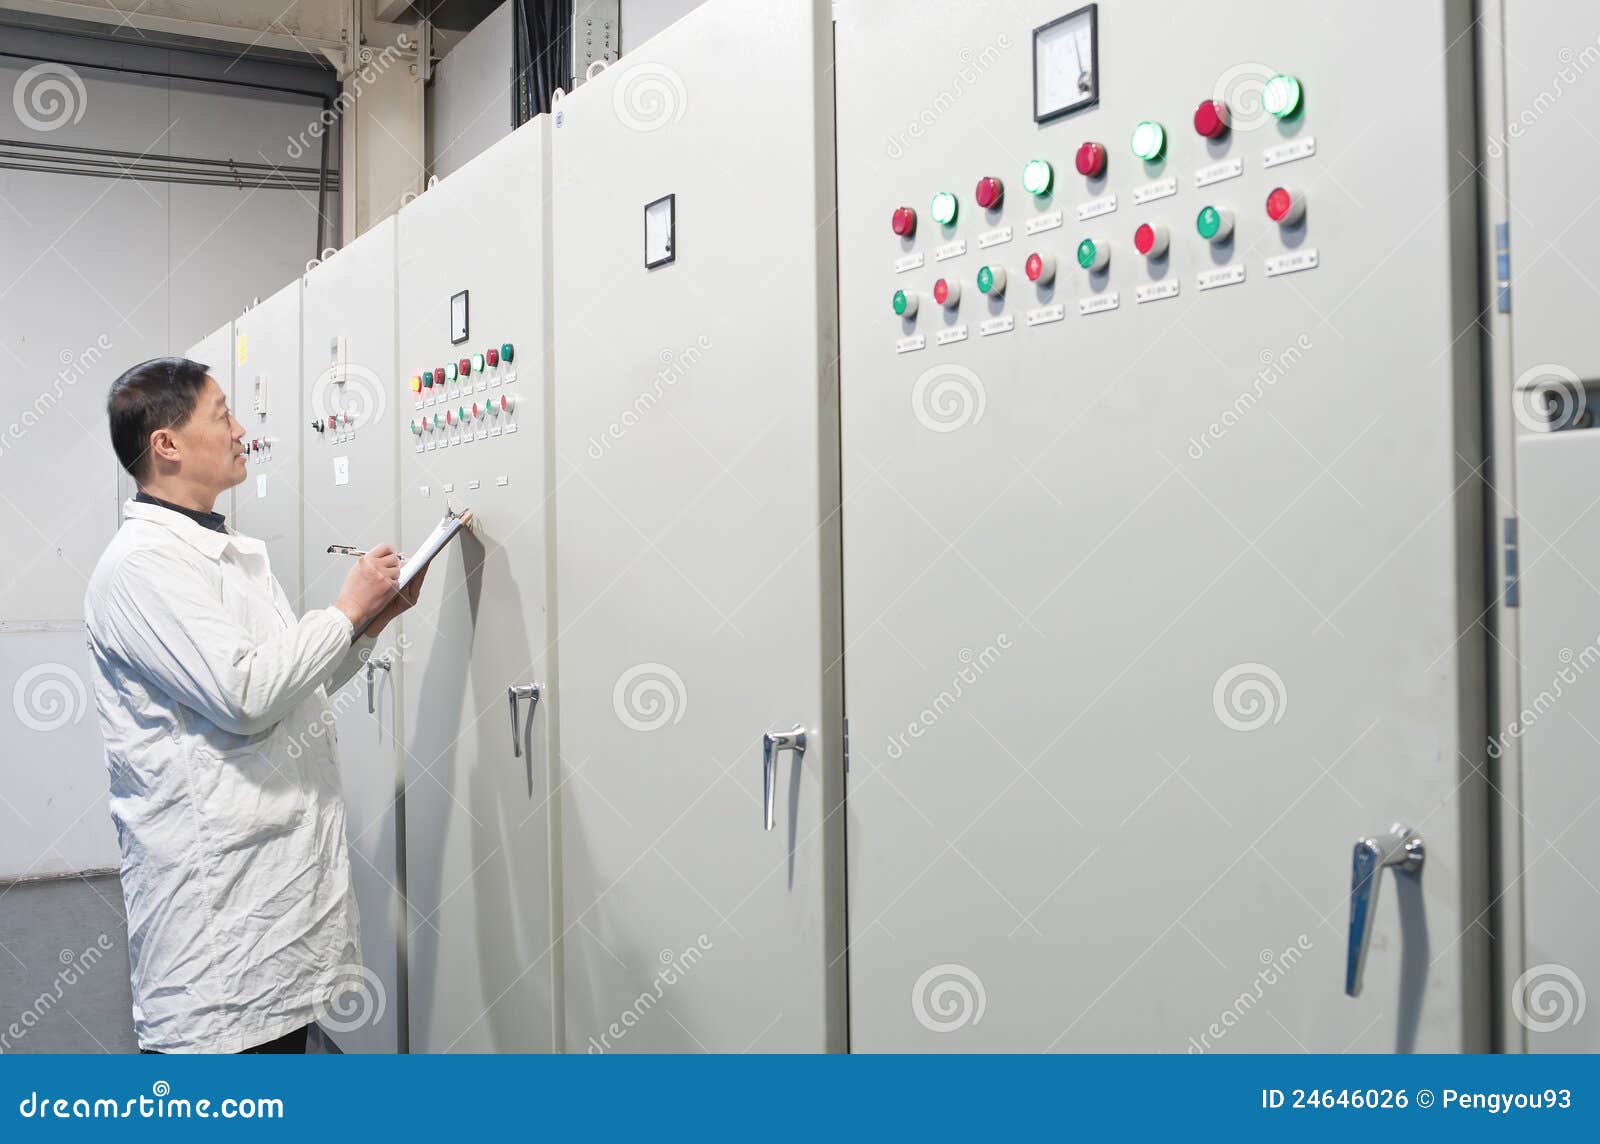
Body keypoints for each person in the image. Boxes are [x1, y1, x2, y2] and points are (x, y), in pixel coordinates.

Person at [82, 356, 424, 1053]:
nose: (243, 432)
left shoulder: (222, 553)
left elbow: (286, 689)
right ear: (167, 444)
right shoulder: (142, 567)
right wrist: (343, 609)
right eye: (223, 416)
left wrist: (365, 626)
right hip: (217, 921)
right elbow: (246, 696)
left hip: (269, 909)